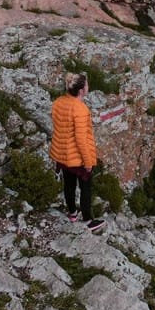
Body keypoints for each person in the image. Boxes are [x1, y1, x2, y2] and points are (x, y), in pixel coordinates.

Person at [49, 72, 106, 233]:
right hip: (77, 157)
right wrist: (88, 162)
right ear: (81, 90)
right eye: (87, 84)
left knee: (69, 184)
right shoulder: (80, 109)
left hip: (62, 154)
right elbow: (81, 139)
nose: (88, 87)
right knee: (86, 188)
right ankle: (88, 220)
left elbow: (58, 125)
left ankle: (72, 213)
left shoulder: (59, 102)